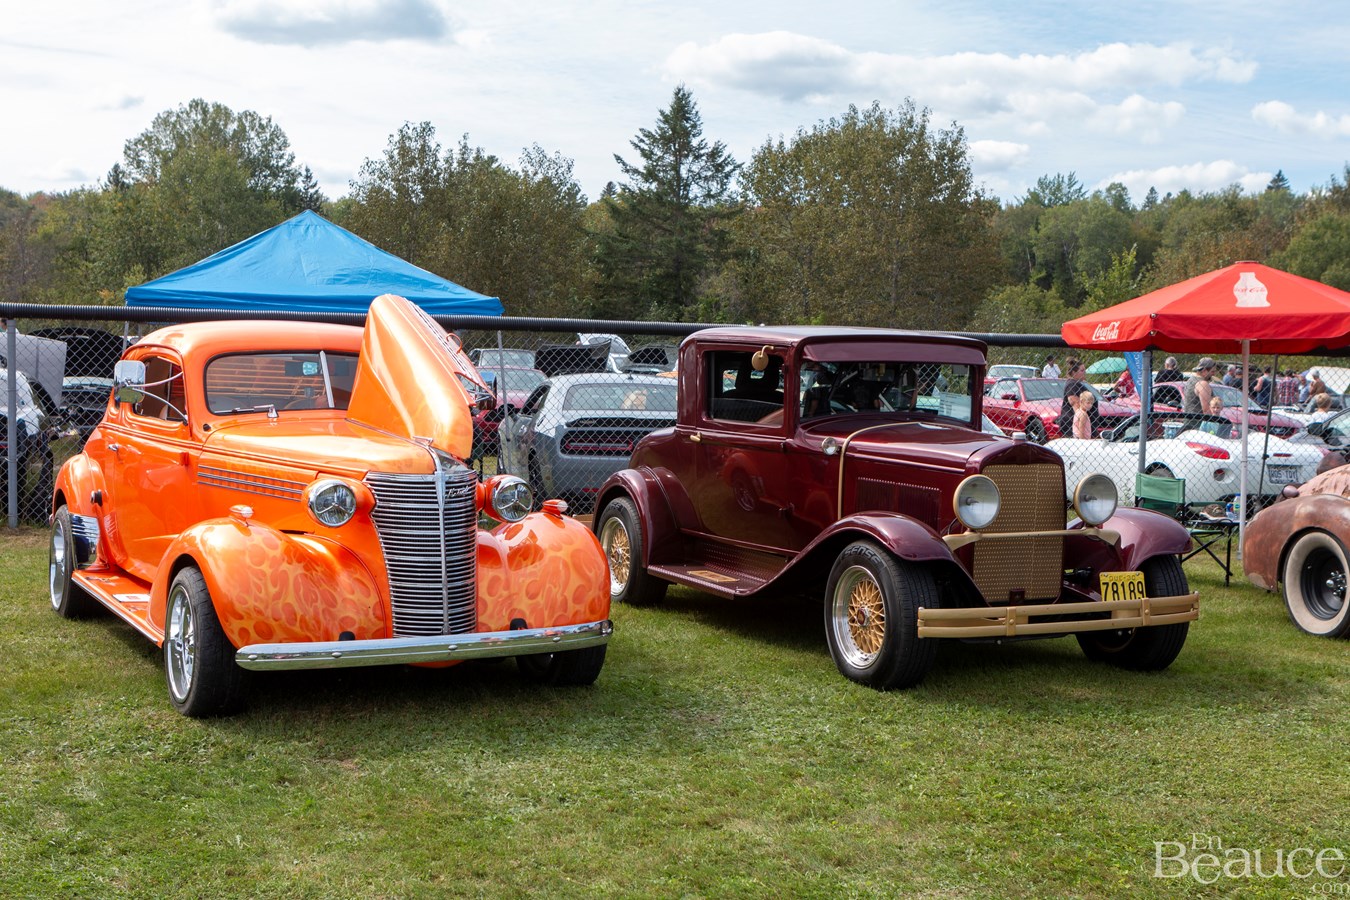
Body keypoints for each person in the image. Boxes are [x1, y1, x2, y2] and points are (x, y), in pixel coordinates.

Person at [1055, 359, 1089, 437]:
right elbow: (1076, 407)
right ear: (1074, 372)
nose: (1085, 372)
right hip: (1073, 426)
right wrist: (1081, 432)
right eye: (1082, 370)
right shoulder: (1072, 385)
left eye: (1085, 370)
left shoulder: (1077, 384)